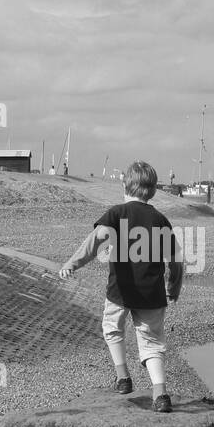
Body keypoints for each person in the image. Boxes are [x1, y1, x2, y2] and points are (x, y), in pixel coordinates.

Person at [58, 160, 183, 412]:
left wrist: (73, 263)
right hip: (152, 294)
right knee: (152, 342)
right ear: (153, 190)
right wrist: (174, 288)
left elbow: (96, 240)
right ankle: (160, 394)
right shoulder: (161, 219)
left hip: (120, 291)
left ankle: (123, 378)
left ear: (125, 185)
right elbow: (176, 260)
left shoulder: (117, 213)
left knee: (112, 328)